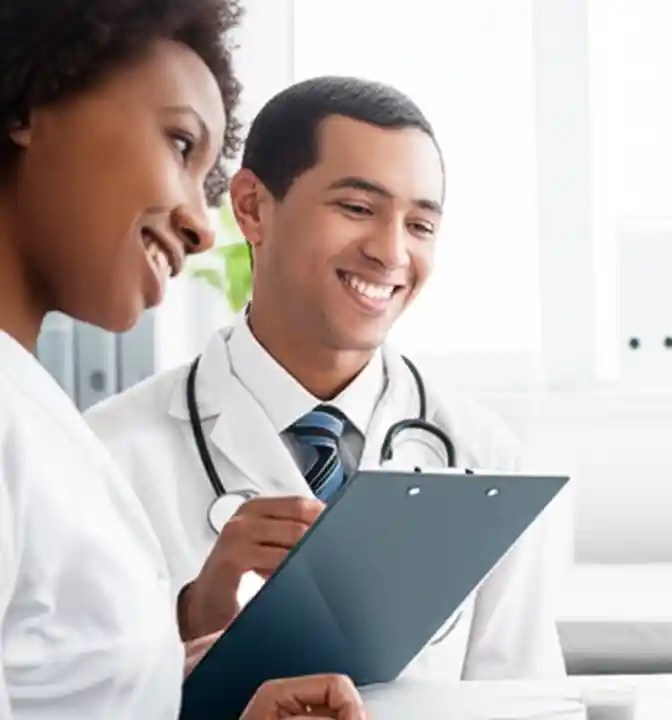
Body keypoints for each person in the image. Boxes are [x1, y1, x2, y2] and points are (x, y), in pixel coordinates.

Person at [85, 75, 568, 681]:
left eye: (420, 225)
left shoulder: (485, 457)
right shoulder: (105, 455)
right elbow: (66, 695)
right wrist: (187, 621)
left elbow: (523, 702)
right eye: (358, 209)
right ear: (253, 208)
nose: (391, 253)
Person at [0, 0, 365, 717]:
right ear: (31, 100)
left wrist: (191, 696)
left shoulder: (31, 404)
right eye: (178, 143)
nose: (201, 226)